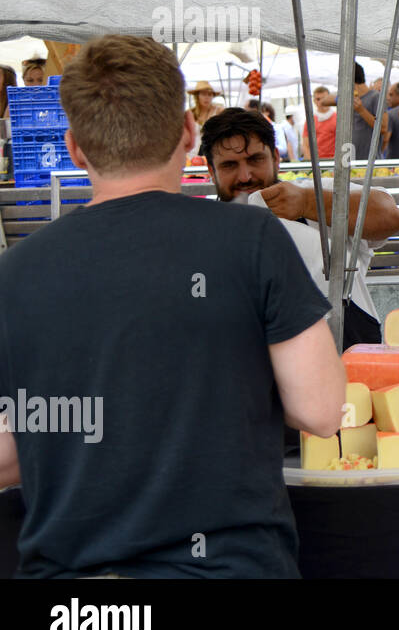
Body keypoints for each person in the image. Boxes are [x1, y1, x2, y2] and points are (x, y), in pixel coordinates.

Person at [0, 35, 344, 577]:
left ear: (75, 148)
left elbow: (15, 447)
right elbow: (321, 410)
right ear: (188, 132)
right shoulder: (251, 238)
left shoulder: (15, 272)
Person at [200, 107, 399, 345]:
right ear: (211, 172)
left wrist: (310, 203)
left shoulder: (313, 194)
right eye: (229, 165)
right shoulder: (202, 236)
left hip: (347, 369)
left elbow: (392, 217)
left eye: (255, 159)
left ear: (276, 158)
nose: (245, 176)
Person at [305, 85, 337, 159]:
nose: (322, 102)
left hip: (334, 161)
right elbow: (306, 145)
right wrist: (311, 163)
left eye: (324, 98)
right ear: (314, 101)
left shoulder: (338, 118)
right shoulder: (310, 120)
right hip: (316, 162)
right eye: (318, 99)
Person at [384, 81, 399, 159]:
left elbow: (385, 139)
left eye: (391, 95)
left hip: (393, 163)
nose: (387, 98)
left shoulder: (391, 114)